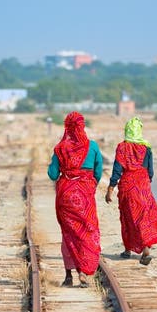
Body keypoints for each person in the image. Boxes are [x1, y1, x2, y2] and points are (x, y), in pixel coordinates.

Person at [105, 117, 157, 264]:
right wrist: (145, 185)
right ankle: (146, 248)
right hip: (143, 185)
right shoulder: (146, 148)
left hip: (128, 186)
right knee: (144, 217)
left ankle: (128, 250)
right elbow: (150, 172)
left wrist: (110, 188)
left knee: (128, 218)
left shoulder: (122, 147)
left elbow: (117, 170)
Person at [48, 112, 103, 287]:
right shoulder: (92, 147)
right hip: (85, 195)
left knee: (68, 234)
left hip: (66, 195)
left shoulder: (60, 148)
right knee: (87, 230)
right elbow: (99, 171)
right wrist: (90, 184)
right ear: (82, 126)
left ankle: (68, 276)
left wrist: (54, 165)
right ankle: (84, 271)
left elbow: (53, 174)